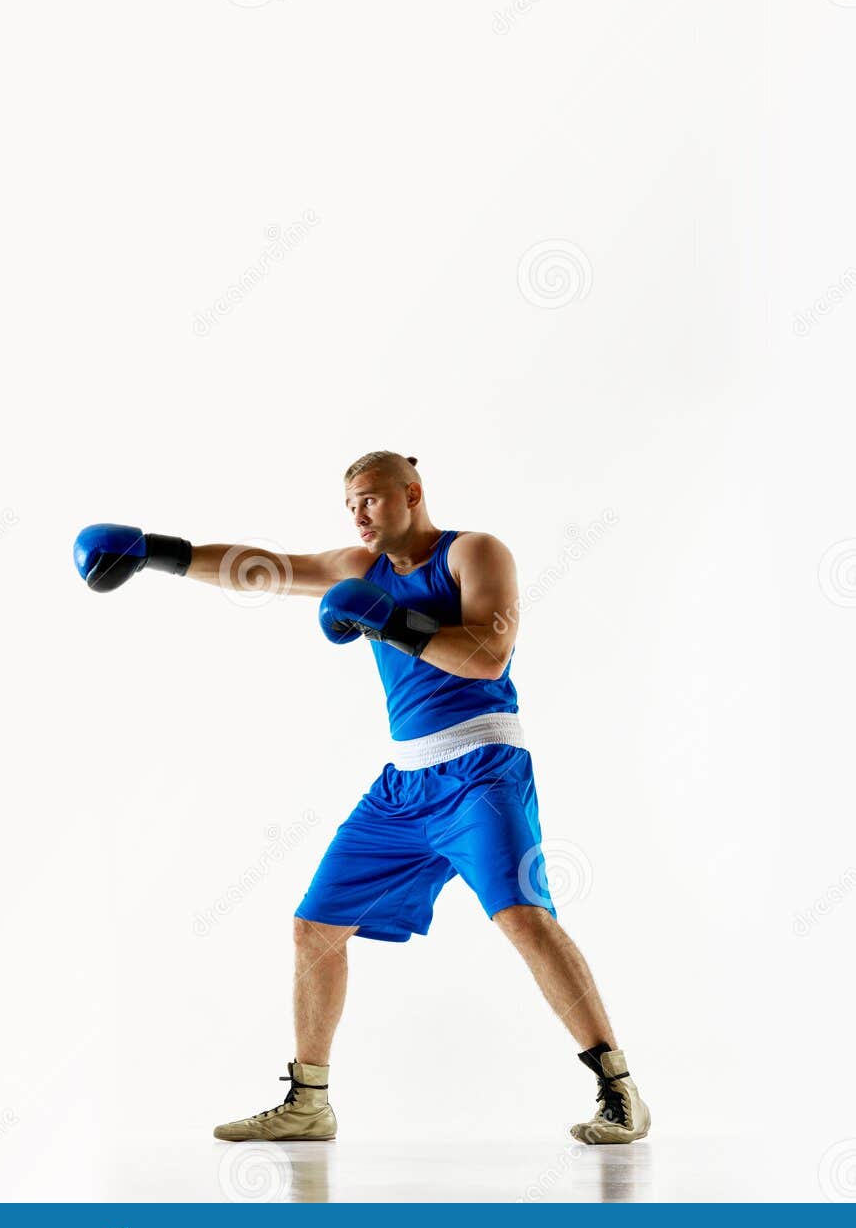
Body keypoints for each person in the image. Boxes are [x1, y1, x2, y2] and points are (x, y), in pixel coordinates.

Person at [73, 450, 650, 1148]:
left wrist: (391, 623)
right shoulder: (359, 568)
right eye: (351, 504)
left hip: (482, 769)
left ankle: (619, 1090)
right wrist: (157, 553)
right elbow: (265, 568)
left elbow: (488, 655)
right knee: (315, 928)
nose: (359, 515)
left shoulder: (474, 551)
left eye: (371, 499)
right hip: (403, 785)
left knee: (523, 917)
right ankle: (309, 1103)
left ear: (412, 493)